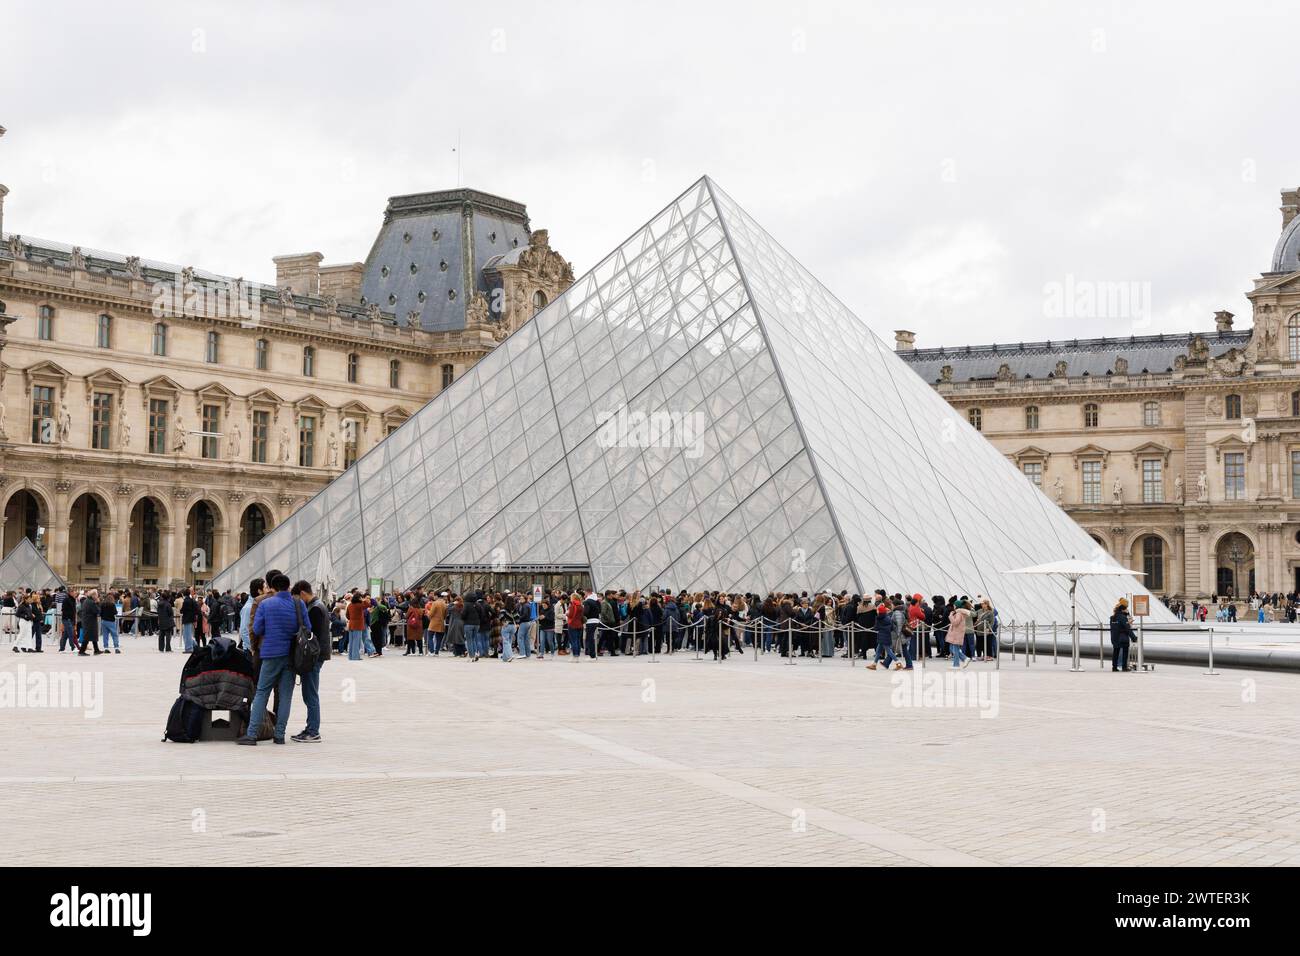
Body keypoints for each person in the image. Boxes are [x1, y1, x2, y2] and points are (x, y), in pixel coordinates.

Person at [239, 573, 298, 746]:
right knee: (285, 696)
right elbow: (306, 627)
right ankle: (279, 735)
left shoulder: (264, 603)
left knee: (262, 693)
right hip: (291, 655)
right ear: (288, 586)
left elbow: (256, 628)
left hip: (270, 653)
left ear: (272, 586)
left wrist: (256, 648)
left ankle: (251, 734)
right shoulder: (298, 604)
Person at [291, 580, 330, 743]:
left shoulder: (314, 609)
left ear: (302, 594)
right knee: (310, 693)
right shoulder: (319, 605)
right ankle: (310, 728)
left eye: (297, 599)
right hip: (318, 655)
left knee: (310, 694)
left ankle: (313, 731)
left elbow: (310, 635)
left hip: (314, 656)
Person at [1110, 598, 1135, 672]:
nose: (1127, 610)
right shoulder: (1123, 617)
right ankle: (1124, 667)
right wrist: (1134, 637)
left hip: (1114, 637)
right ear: (1123, 609)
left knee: (1115, 652)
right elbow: (1127, 628)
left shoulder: (1113, 617)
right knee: (1125, 652)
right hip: (1123, 637)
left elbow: (1117, 626)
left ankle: (1114, 667)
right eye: (1126, 609)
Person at [947, 599, 971, 668]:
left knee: (955, 649)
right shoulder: (959, 613)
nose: (953, 606)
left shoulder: (959, 613)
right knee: (952, 648)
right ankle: (964, 658)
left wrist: (950, 616)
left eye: (954, 605)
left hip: (956, 634)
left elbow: (955, 623)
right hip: (956, 633)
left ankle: (956, 665)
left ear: (956, 606)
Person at [78, 589, 102, 655]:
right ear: (93, 595)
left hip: (88, 621)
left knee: (93, 635)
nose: (97, 596)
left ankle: (96, 650)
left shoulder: (87, 600)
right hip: (90, 621)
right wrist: (97, 603)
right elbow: (97, 611)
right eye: (97, 595)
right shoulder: (91, 602)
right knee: (87, 636)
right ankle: (81, 651)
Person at [345, 593, 366, 661]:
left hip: (351, 625)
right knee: (357, 642)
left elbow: (347, 615)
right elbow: (368, 605)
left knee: (351, 641)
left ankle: (350, 656)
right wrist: (363, 600)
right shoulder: (359, 605)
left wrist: (351, 618)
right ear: (359, 598)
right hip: (358, 625)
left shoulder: (350, 605)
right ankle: (355, 657)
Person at [99, 590, 121, 654]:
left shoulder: (102, 604)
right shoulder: (112, 605)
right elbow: (115, 612)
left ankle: (106, 648)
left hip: (103, 621)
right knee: (114, 635)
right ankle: (116, 648)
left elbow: (100, 613)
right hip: (111, 621)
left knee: (105, 635)